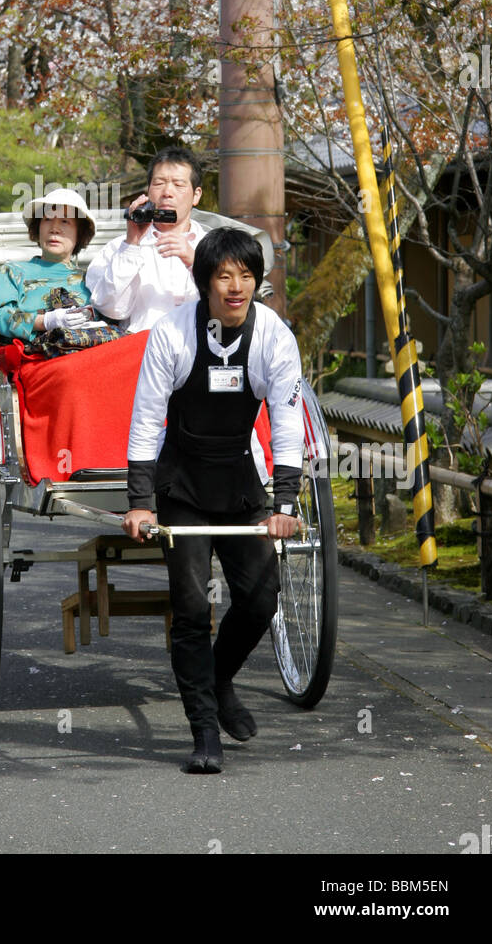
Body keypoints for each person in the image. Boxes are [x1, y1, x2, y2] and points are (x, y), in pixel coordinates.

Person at [123, 227, 304, 775]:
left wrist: (285, 504)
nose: (236, 286)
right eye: (224, 275)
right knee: (194, 608)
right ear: (203, 281)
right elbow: (148, 417)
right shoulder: (172, 333)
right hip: (182, 485)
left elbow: (289, 420)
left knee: (261, 598)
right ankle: (204, 731)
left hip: (241, 479)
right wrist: (140, 501)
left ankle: (219, 677)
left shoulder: (274, 335)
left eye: (247, 276)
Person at [86, 146, 207, 333]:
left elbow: (229, 303)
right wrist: (132, 244)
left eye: (178, 184)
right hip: (140, 352)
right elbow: (111, 309)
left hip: (199, 352)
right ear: (148, 191)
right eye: (159, 183)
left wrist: (196, 263)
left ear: (196, 195)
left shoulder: (213, 246)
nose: (167, 192)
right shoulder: (118, 247)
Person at [0, 188, 95, 342]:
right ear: (37, 227)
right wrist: (45, 321)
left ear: (80, 233)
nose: (54, 229)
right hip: (36, 359)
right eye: (47, 219)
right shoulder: (13, 272)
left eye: (65, 221)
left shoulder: (91, 278)